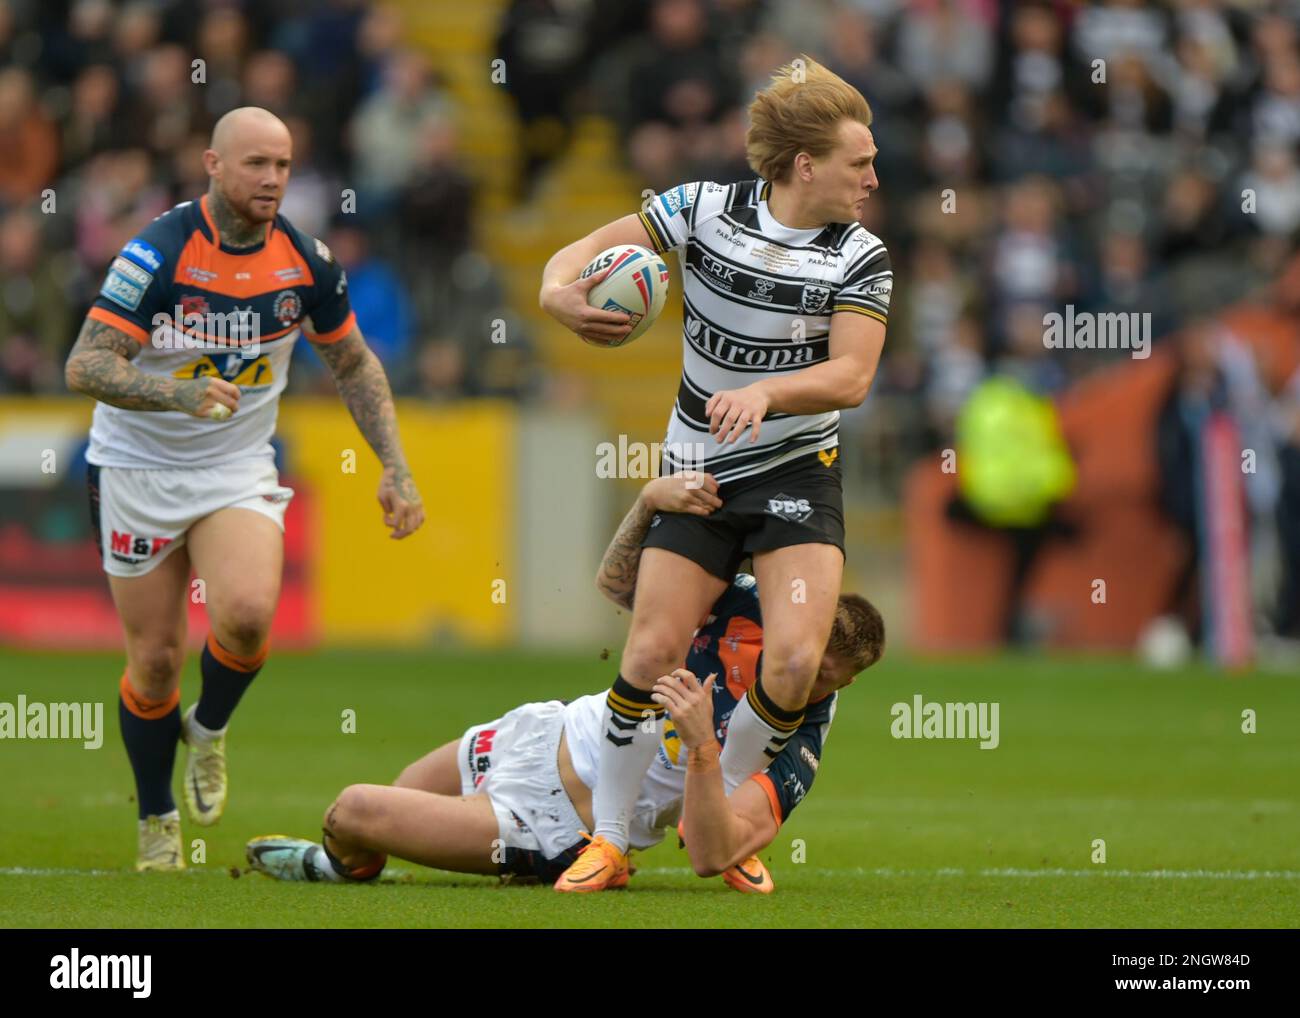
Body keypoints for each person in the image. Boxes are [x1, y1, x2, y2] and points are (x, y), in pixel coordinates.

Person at [537, 56, 891, 889]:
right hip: (700, 468)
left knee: (797, 660)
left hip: (798, 471)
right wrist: (557, 290)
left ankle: (725, 822)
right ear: (806, 166)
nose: (874, 177)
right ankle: (612, 843)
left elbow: (853, 376)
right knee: (654, 647)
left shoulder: (860, 255)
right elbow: (586, 250)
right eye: (860, 162)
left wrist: (766, 391)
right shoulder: (703, 209)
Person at [64, 106, 425, 872]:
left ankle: (211, 727)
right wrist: (178, 396)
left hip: (234, 467)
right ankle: (157, 818)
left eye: (284, 165)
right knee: (156, 659)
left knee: (251, 615)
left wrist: (394, 465)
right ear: (214, 165)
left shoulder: (306, 262)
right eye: (256, 164)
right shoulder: (157, 253)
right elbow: (86, 366)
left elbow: (354, 363)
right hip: (136, 466)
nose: (271, 179)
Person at [245, 474, 885, 893]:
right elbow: (615, 585)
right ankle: (346, 866)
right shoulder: (741, 602)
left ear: (848, 684)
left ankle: (331, 867)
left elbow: (712, 853)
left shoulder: (800, 742)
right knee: (393, 798)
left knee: (355, 809)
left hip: (549, 822)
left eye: (832, 677)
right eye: (812, 653)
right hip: (542, 728)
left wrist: (704, 751)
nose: (810, 676)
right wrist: (645, 506)